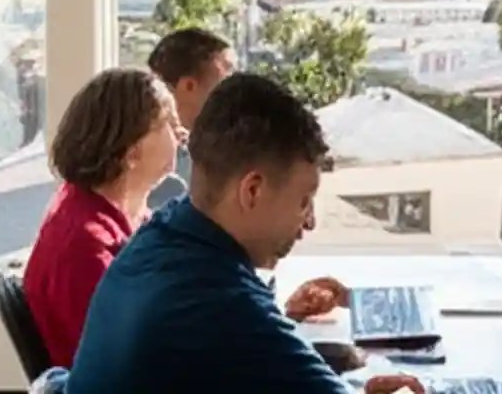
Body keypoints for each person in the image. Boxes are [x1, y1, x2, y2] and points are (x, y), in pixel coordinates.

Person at [64, 73, 423, 394]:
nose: (309, 222)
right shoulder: (224, 305)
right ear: (252, 190)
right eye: (303, 201)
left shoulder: (161, 236)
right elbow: (238, 329)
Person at [23, 67, 181, 368]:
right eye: (169, 125)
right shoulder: (85, 245)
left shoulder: (106, 212)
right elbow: (127, 361)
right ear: (131, 152)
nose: (182, 136)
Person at [145, 27, 234, 209]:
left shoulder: (208, 152)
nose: (234, 95)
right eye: (226, 81)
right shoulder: (143, 160)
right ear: (189, 86)